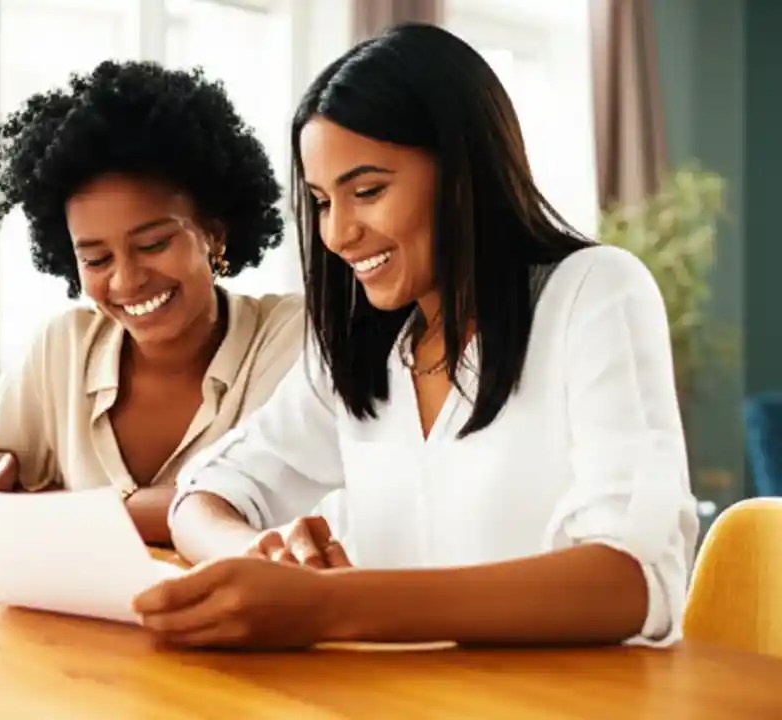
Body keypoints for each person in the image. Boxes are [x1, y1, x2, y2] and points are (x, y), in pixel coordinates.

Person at [134, 24, 698, 647]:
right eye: (322, 202)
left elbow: (630, 582)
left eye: (368, 192)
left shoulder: (593, 293)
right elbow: (203, 494)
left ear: (464, 171)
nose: (339, 234)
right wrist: (256, 558)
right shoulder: (362, 350)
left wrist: (329, 605)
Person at [0, 61, 304, 546]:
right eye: (96, 258)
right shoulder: (64, 346)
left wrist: (25, 512)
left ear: (213, 234)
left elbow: (246, 501)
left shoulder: (289, 333)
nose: (127, 279)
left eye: (153, 245)